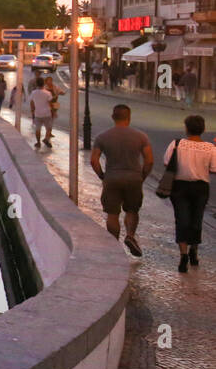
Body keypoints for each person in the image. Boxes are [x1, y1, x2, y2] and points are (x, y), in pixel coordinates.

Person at [90, 104, 154, 257]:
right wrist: (142, 176)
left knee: (112, 213)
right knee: (132, 210)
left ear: (113, 117)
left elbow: (94, 160)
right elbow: (149, 160)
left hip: (112, 178)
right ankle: (130, 235)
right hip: (133, 178)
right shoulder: (141, 136)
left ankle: (113, 245)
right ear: (129, 117)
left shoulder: (102, 137)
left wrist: (102, 176)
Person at [162, 115, 216, 272]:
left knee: (181, 219)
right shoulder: (210, 148)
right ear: (203, 129)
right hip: (200, 188)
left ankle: (183, 255)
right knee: (196, 219)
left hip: (179, 187)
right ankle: (194, 250)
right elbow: (213, 169)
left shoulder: (177, 144)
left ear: (186, 128)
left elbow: (166, 162)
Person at [30, 76, 54, 148]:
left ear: (37, 84)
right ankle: (46, 139)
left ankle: (38, 142)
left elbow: (31, 102)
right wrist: (52, 110)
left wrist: (32, 111)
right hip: (47, 113)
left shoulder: (33, 93)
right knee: (49, 128)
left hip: (37, 113)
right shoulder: (48, 93)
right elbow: (50, 103)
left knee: (38, 129)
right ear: (43, 84)